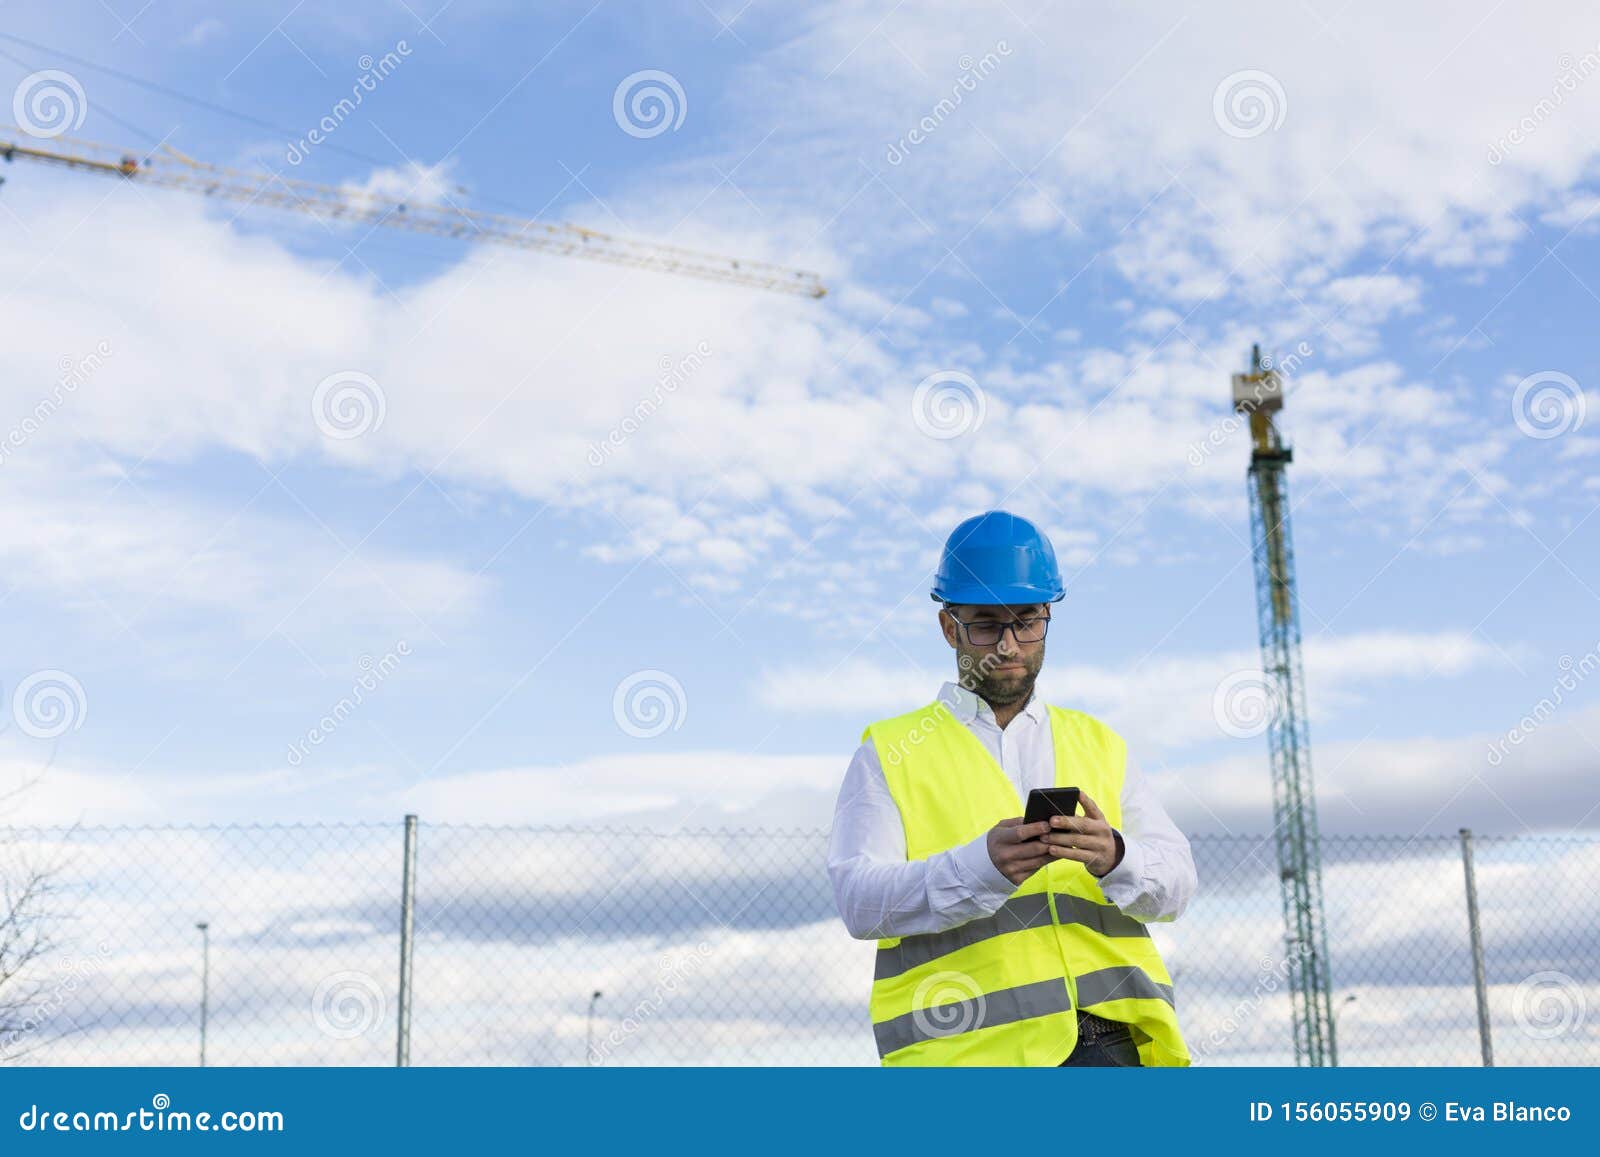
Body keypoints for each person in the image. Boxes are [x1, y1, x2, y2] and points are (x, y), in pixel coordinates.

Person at [828, 510, 1196, 1066]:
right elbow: (860, 902)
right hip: (969, 1057)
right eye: (986, 624)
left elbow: (1178, 884)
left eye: (1027, 621)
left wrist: (1116, 855)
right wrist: (978, 868)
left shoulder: (1101, 743)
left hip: (1110, 1047)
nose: (1009, 644)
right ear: (948, 627)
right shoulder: (888, 752)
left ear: (1047, 615)